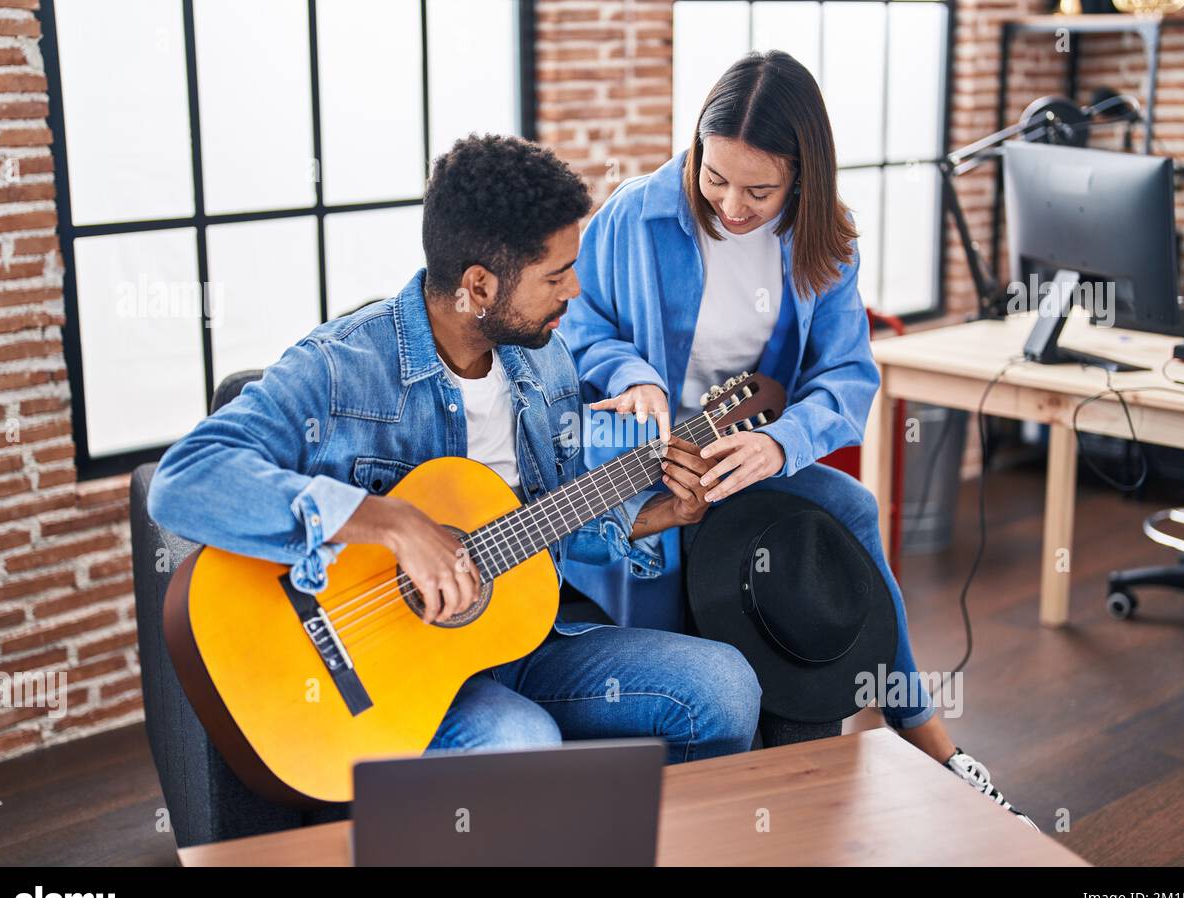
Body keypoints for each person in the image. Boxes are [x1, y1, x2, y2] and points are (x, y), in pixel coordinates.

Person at [148, 134, 760, 764]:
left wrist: (659, 516)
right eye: (555, 274)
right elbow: (184, 480)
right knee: (520, 742)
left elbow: (546, 523)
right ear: (480, 284)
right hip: (386, 673)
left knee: (724, 687)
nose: (574, 291)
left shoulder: (547, 361)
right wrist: (391, 523)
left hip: (518, 645)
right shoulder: (341, 369)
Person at [560, 51, 1037, 828]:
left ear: (802, 178)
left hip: (744, 456)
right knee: (681, 593)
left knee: (850, 505)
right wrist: (625, 374)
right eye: (715, 178)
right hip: (642, 463)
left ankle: (933, 741)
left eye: (760, 189)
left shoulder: (828, 243)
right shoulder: (633, 216)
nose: (733, 205)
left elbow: (846, 376)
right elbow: (578, 324)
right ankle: (708, 787)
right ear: (696, 149)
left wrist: (780, 445)